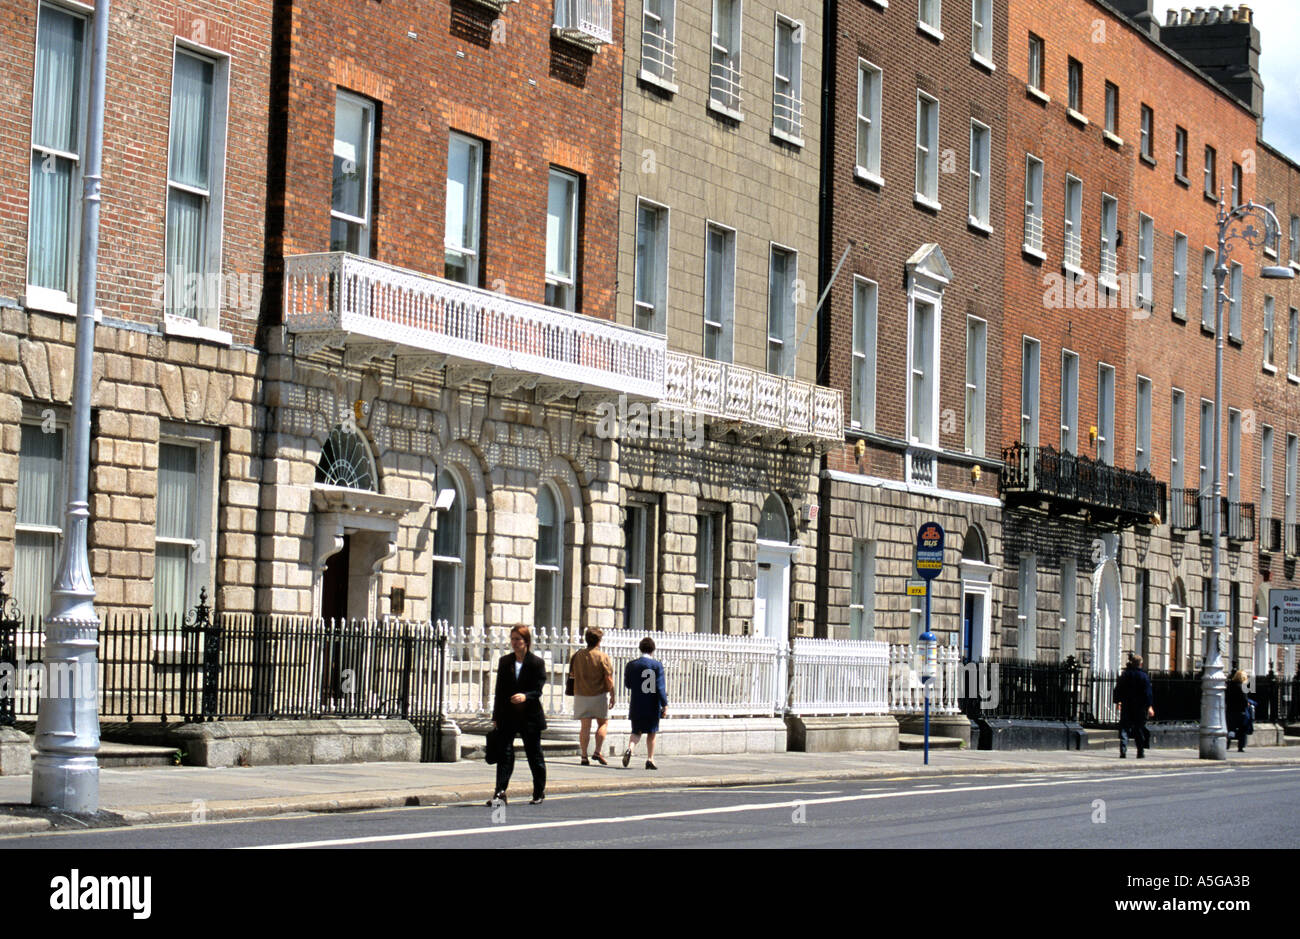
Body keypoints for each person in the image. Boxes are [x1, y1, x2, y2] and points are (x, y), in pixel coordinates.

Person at [487, 625, 547, 805]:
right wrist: (496, 717)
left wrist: (525, 696)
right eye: (512, 639)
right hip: (508, 715)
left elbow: (538, 690)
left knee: (534, 754)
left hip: (530, 716)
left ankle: (538, 791)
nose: (514, 643)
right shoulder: (505, 661)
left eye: (517, 639)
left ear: (526, 641)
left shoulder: (536, 663)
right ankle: (500, 792)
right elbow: (499, 691)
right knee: (504, 754)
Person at [568, 627, 615, 765]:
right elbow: (608, 678)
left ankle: (583, 756)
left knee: (585, 727)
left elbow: (572, 674)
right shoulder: (602, 656)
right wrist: (612, 694)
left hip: (581, 694)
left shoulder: (577, 655)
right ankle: (597, 751)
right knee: (603, 723)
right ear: (599, 641)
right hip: (598, 694)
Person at [622, 636, 668, 770]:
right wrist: (665, 704)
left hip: (637, 703)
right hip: (652, 704)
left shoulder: (631, 665)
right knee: (652, 732)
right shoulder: (657, 665)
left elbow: (628, 685)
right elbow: (660, 687)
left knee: (636, 731)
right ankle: (650, 759)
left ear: (640, 649)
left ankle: (630, 748)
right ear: (653, 650)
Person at [1113, 654, 1154, 759]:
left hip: (1127, 705)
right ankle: (1140, 751)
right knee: (1139, 729)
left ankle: (1123, 750)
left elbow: (1118, 689)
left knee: (1124, 728)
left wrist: (1118, 702)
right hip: (1140, 707)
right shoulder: (1144, 676)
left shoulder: (1125, 674)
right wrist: (1149, 706)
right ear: (1141, 663)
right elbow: (1147, 693)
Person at [1226, 669, 1252, 753]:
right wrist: (1247, 704)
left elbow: (1226, 698)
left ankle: (1227, 744)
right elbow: (1244, 700)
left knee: (1230, 728)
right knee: (1242, 730)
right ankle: (1240, 747)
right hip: (1240, 712)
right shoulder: (1242, 687)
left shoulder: (1229, 686)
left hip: (1230, 711)